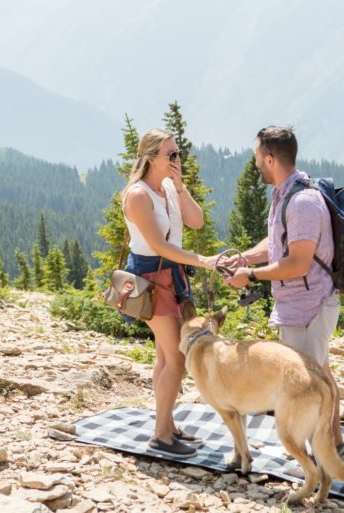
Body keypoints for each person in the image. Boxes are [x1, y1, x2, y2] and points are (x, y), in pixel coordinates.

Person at [224, 126, 344, 462]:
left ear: (270, 159)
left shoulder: (302, 202)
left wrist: (250, 275)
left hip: (309, 308)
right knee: (321, 375)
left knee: (308, 386)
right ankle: (336, 447)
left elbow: (297, 262)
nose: (255, 164)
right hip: (299, 306)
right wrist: (247, 258)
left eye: (257, 158)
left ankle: (322, 458)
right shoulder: (285, 194)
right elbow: (280, 242)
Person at [121, 128, 217, 458]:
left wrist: (179, 185)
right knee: (177, 357)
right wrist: (202, 261)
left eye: (178, 154)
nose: (177, 160)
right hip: (150, 279)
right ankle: (160, 436)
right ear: (151, 158)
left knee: (165, 356)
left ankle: (168, 425)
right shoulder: (138, 195)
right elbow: (159, 245)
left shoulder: (166, 188)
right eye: (171, 155)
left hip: (171, 275)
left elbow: (197, 222)